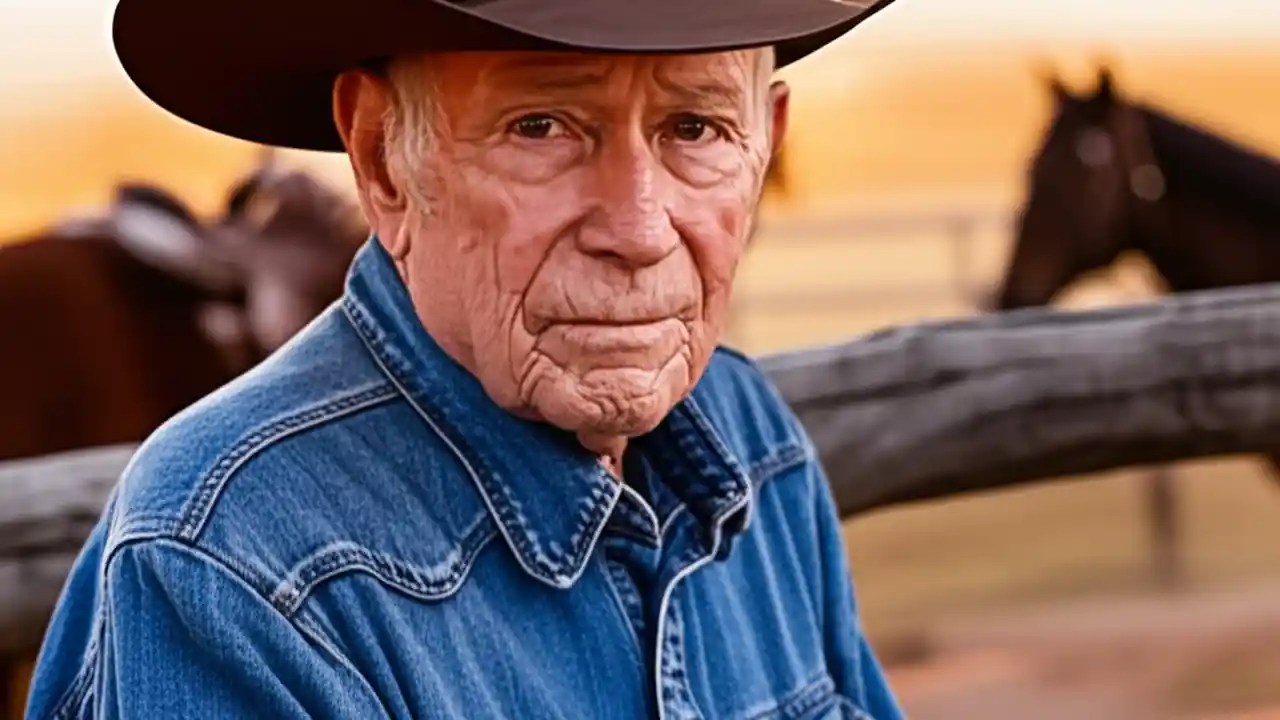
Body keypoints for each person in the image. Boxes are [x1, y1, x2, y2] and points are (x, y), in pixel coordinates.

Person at [25, 0, 905, 717]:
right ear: (384, 162)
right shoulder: (231, 563)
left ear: (767, 140)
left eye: (697, 128)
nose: (638, 230)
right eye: (541, 125)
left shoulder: (756, 440)